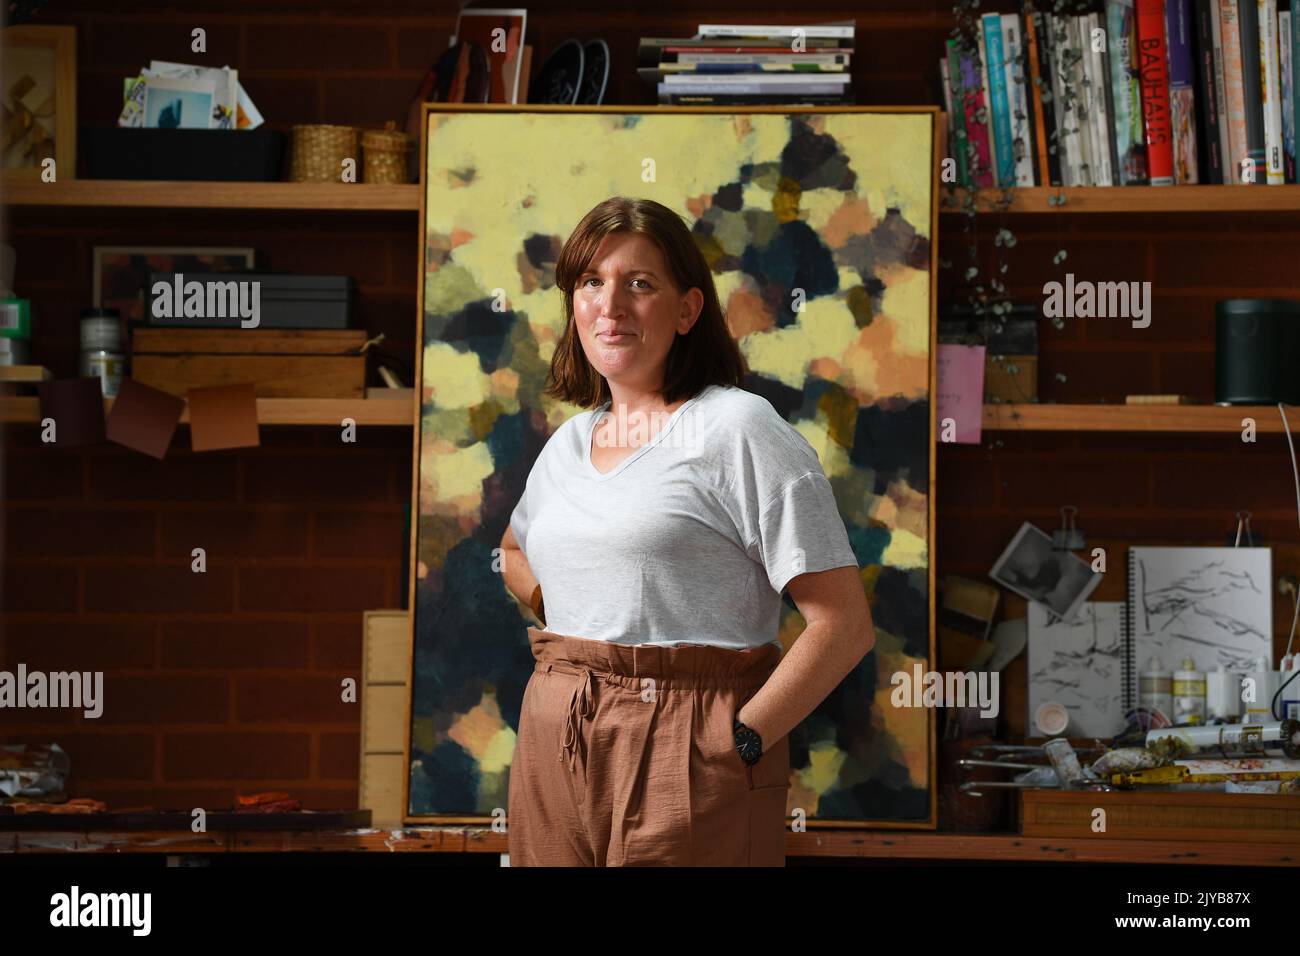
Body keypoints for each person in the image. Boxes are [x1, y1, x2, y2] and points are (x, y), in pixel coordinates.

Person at [500, 196, 875, 866]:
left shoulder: (739, 428)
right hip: (553, 732)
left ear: (687, 310)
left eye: (639, 284)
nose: (609, 306)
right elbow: (512, 551)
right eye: (591, 282)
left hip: (687, 737)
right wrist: (563, 610)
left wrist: (743, 738)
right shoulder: (568, 441)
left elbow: (842, 623)